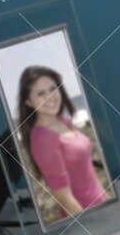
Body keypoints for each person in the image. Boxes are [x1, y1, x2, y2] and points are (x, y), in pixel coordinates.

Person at [16, 65, 108, 217]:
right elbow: (64, 198)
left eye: (53, 88)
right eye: (41, 93)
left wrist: (107, 200)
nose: (51, 97)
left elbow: (87, 171)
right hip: (85, 215)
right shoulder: (43, 140)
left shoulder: (63, 121)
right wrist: (90, 225)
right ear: (28, 102)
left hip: (100, 204)